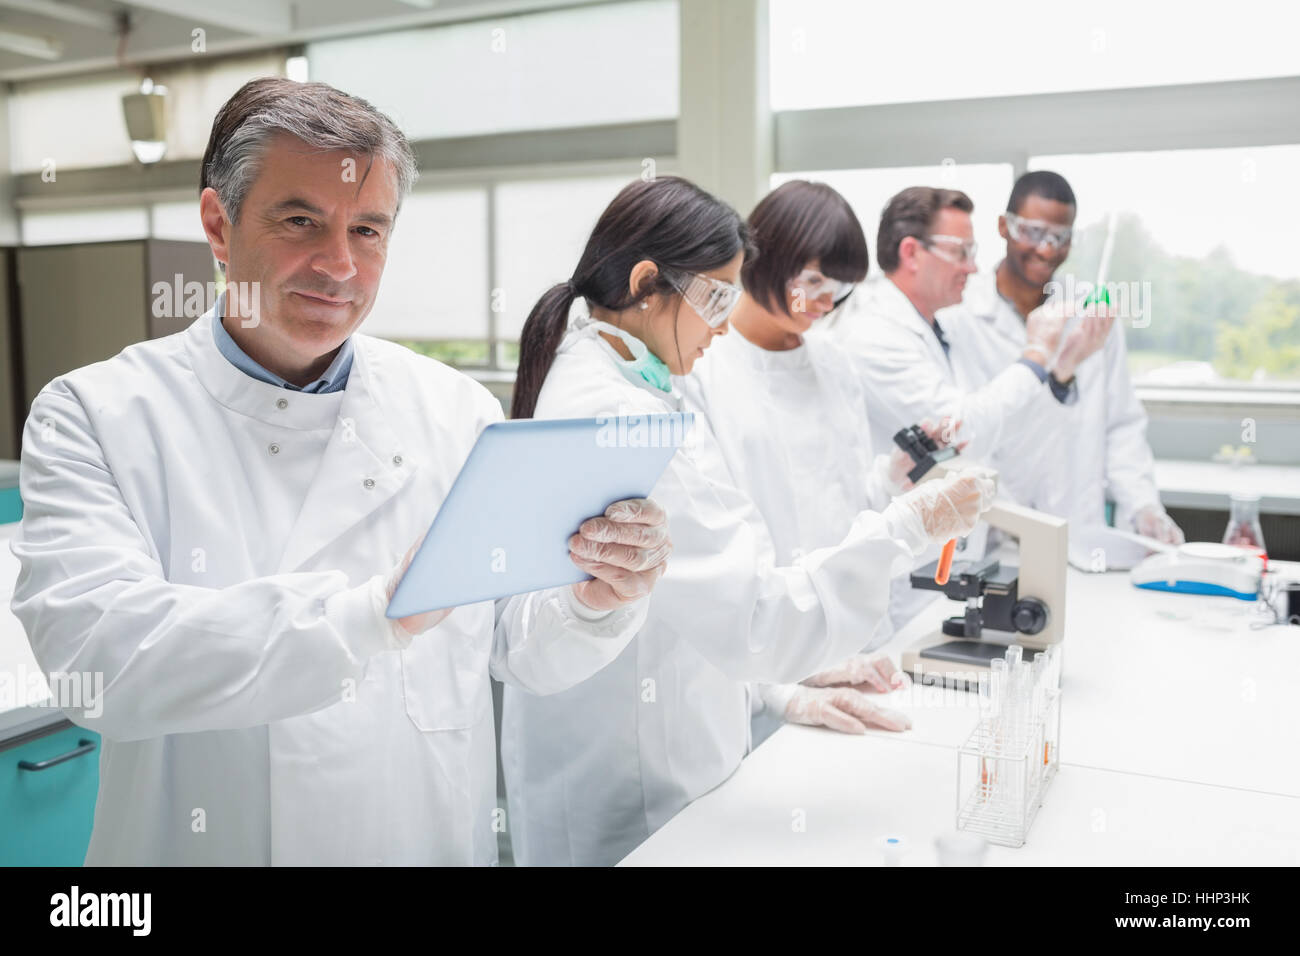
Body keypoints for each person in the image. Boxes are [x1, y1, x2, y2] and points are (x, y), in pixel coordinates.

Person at [9, 78, 672, 866]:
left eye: (368, 229)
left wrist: (597, 599)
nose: (339, 265)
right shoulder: (97, 414)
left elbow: (517, 644)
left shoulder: (452, 409)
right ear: (219, 226)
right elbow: (98, 660)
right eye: (301, 221)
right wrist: (369, 618)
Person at [500, 175, 995, 866]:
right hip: (635, 778)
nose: (724, 325)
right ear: (648, 283)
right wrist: (911, 526)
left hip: (670, 736)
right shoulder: (618, 414)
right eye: (715, 298)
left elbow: (722, 585)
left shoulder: (634, 384)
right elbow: (755, 614)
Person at [684, 180, 953, 743]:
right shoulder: (705, 368)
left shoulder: (834, 364)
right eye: (812, 283)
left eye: (841, 290)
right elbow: (710, 556)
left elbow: (852, 502)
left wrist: (891, 479)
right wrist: (778, 688)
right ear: (762, 258)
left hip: (848, 656)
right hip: (754, 675)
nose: (827, 304)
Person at [937, 171, 1183, 543]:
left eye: (1060, 237)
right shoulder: (961, 315)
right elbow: (973, 430)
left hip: (1076, 526)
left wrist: (1144, 507)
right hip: (995, 529)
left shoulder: (1090, 313)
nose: (1047, 249)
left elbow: (1121, 425)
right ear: (1004, 227)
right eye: (1033, 232)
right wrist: (1058, 375)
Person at [831, 186, 1114, 472]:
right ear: (912, 252)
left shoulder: (940, 330)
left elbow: (997, 429)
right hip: (898, 512)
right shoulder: (872, 334)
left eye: (972, 252)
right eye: (960, 252)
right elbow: (959, 433)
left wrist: (1060, 371)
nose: (973, 268)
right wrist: (1035, 356)